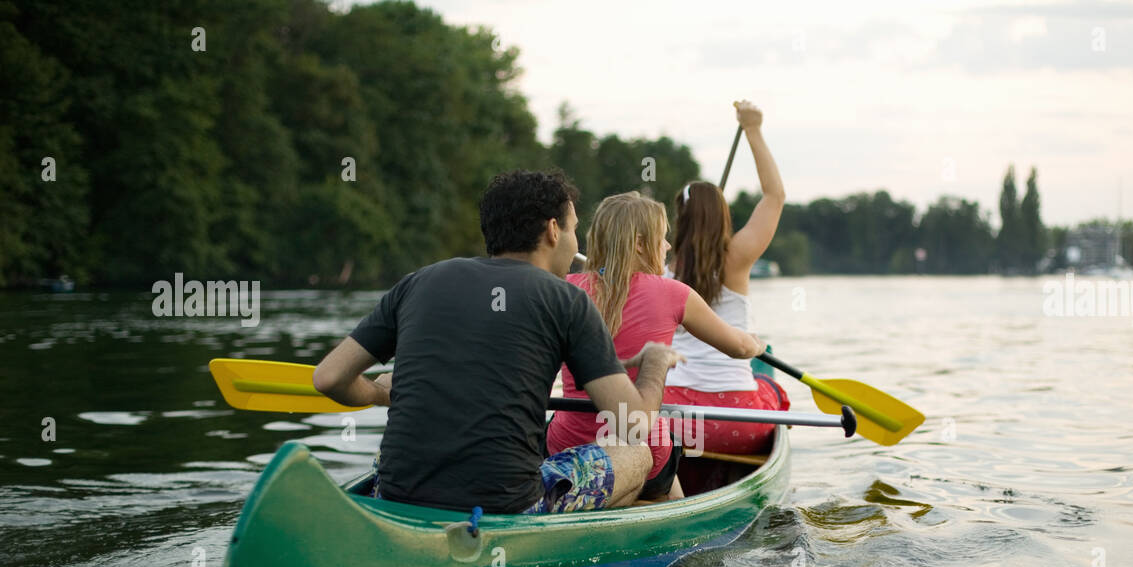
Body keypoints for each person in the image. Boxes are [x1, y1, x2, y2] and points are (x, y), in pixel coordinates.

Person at [311, 170, 682, 514]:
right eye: (573, 230)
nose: (575, 244)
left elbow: (328, 377)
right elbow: (632, 423)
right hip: (507, 504)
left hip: (396, 494)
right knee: (634, 453)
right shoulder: (566, 299)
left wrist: (379, 392)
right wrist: (653, 364)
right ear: (553, 230)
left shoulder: (418, 282)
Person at [548, 192, 766, 501]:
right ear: (639, 243)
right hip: (645, 448)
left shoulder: (564, 289)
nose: (666, 247)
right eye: (662, 238)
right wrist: (757, 344)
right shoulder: (675, 293)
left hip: (568, 444)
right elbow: (739, 348)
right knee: (673, 493)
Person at [663, 99, 790, 455]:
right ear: (723, 215)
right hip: (738, 420)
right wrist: (753, 129)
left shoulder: (659, 269)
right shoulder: (737, 257)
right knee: (772, 389)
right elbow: (774, 196)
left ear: (680, 218)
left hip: (675, 421)